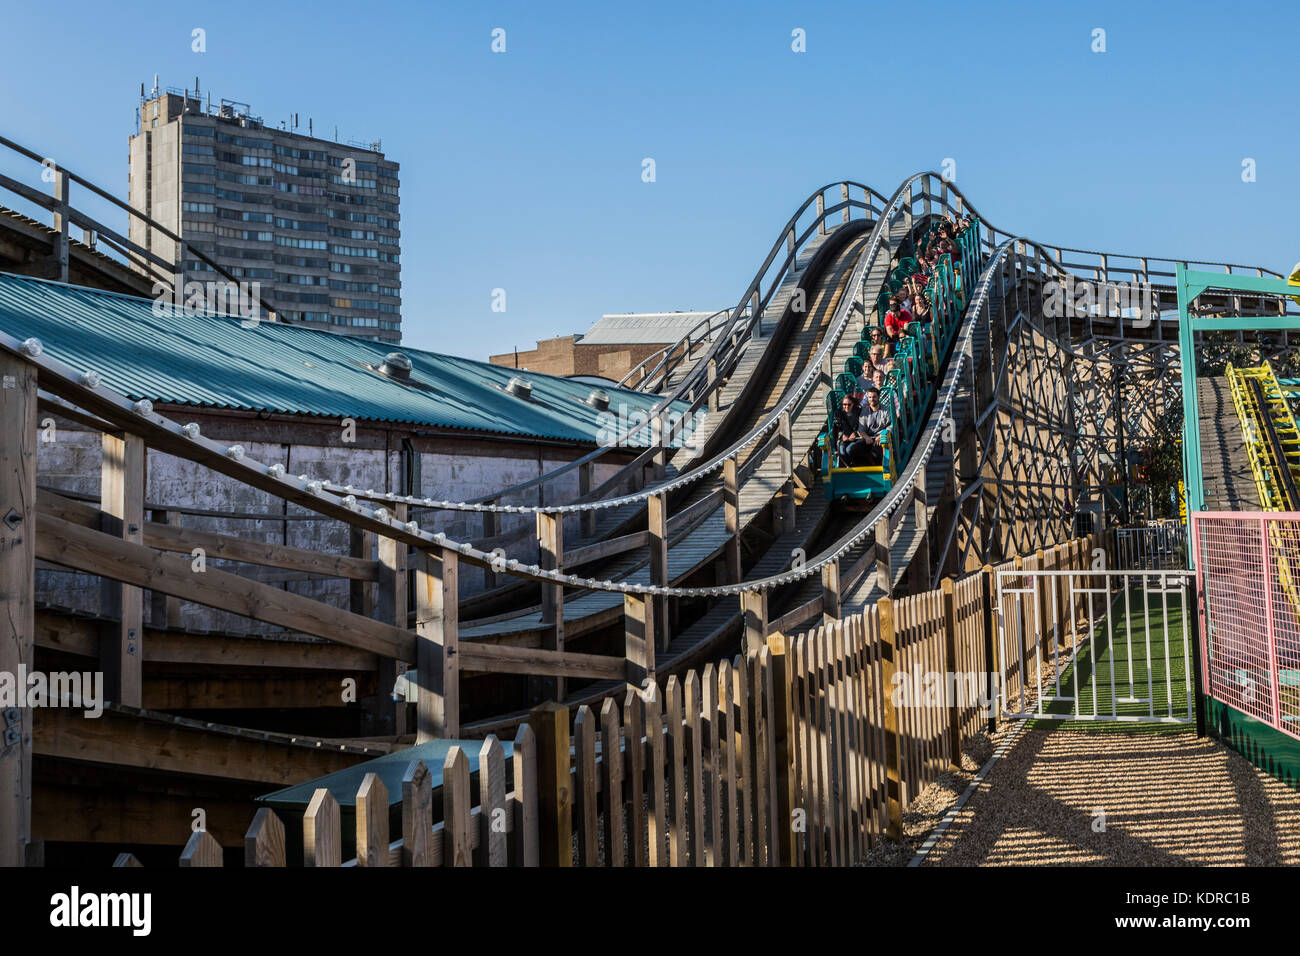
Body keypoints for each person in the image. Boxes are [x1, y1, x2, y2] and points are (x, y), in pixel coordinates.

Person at [834, 394, 861, 465]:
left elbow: (861, 425)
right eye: (844, 404)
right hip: (845, 438)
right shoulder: (839, 414)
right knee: (842, 451)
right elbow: (838, 427)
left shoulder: (858, 412)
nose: (846, 407)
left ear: (853, 404)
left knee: (849, 449)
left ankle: (856, 464)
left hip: (857, 437)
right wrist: (842, 435)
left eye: (849, 404)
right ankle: (849, 466)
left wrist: (855, 433)